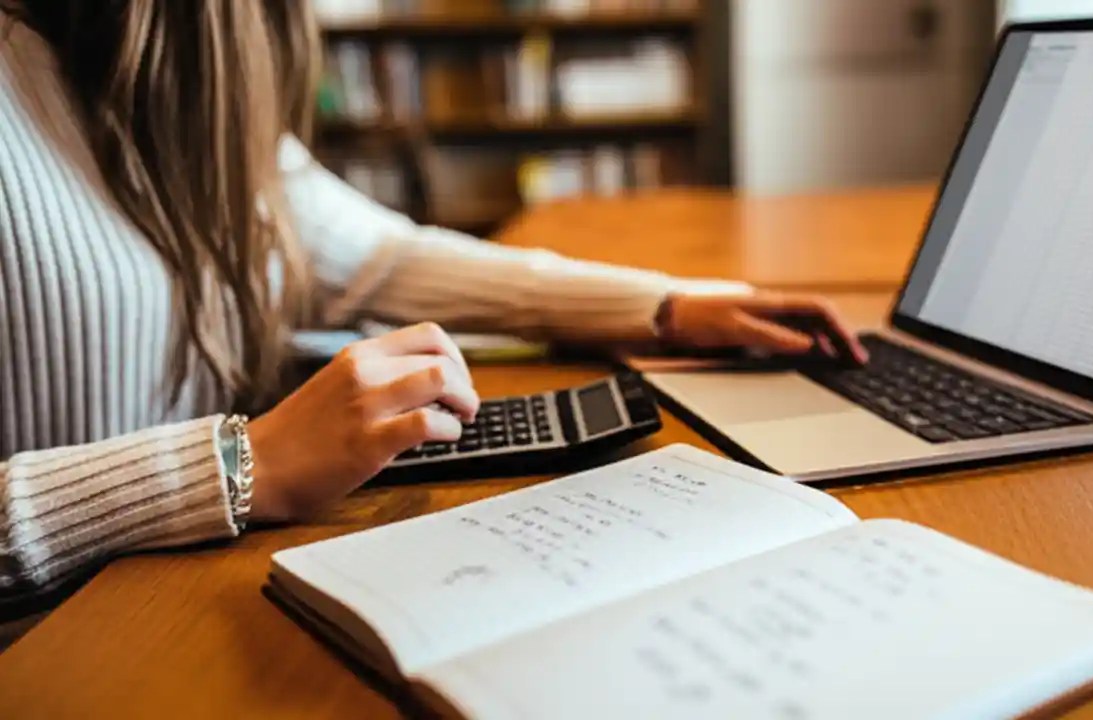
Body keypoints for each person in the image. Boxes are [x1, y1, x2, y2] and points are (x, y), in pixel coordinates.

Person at [0, 0, 866, 612]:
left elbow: (376, 255)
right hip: (64, 636)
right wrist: (239, 463)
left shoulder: (174, 73)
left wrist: (666, 307)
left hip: (176, 584)